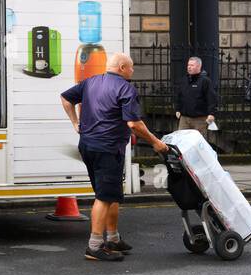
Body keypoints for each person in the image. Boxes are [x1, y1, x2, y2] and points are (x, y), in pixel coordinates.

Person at [59, 52, 169, 262]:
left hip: (89, 146)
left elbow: (65, 98)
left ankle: (113, 238)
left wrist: (75, 122)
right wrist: (156, 142)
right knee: (104, 197)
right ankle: (94, 246)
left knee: (110, 193)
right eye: (131, 67)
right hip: (108, 148)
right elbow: (134, 124)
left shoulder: (91, 82)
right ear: (121, 68)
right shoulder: (125, 88)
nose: (133, 70)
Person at [174, 56, 218, 135]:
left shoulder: (205, 81)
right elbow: (179, 95)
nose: (189, 67)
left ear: (198, 66)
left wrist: (212, 113)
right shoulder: (184, 80)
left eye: (192, 65)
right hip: (184, 118)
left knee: (197, 143)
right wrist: (177, 109)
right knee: (182, 141)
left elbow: (211, 98)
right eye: (188, 65)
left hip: (199, 119)